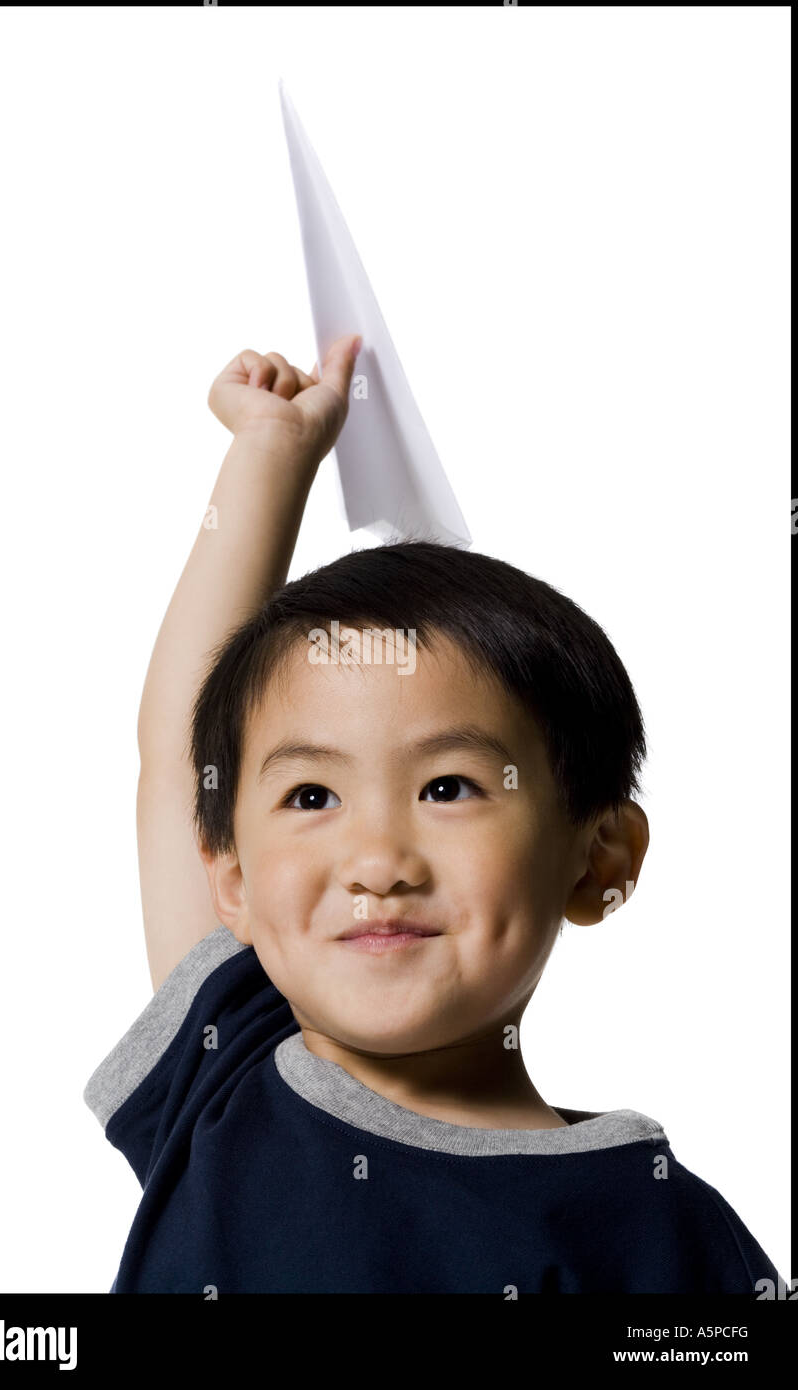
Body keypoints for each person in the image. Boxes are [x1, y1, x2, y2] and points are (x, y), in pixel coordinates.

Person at [85, 334, 782, 1294]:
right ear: (233, 877)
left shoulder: (662, 1232)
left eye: (448, 788)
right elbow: (178, 767)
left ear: (598, 858)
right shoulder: (226, 1070)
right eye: (311, 796)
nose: (378, 861)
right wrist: (270, 455)